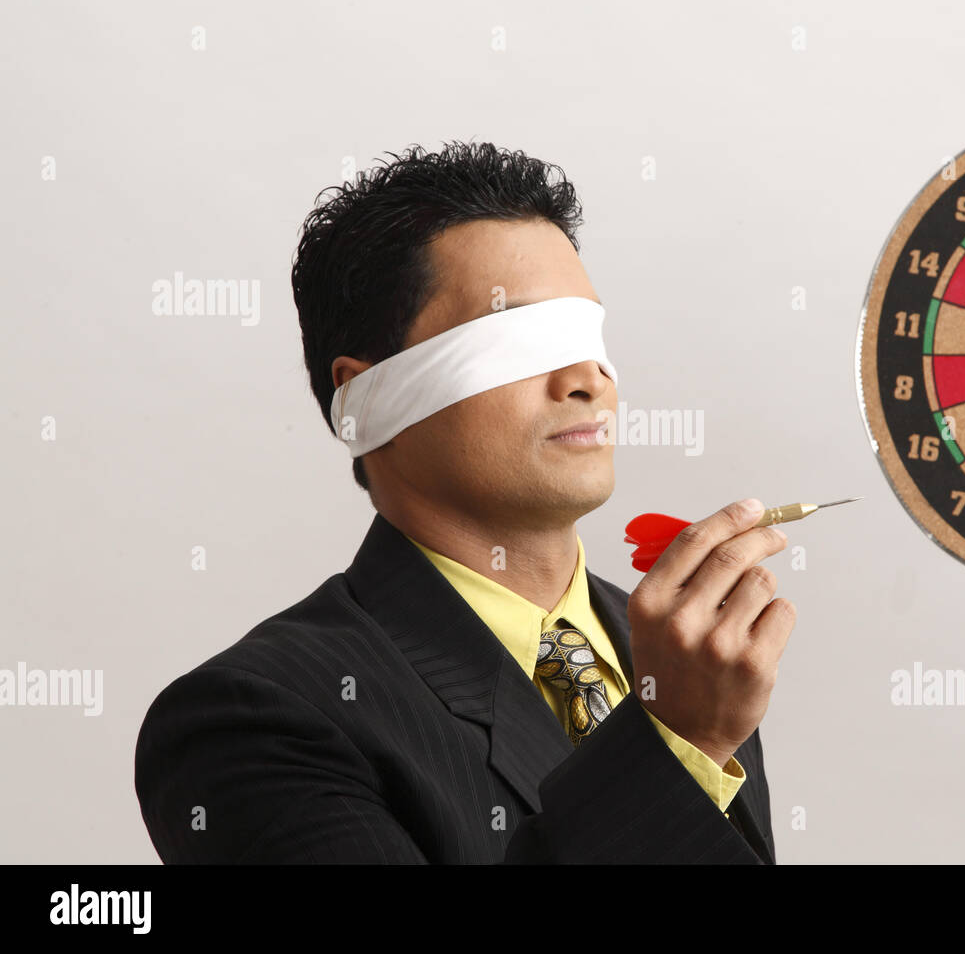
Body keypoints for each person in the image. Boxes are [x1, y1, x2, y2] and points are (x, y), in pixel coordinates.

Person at [134, 142, 796, 863]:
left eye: (588, 334)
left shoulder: (682, 658)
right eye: (516, 338)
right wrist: (674, 746)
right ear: (365, 401)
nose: (588, 378)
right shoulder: (255, 719)